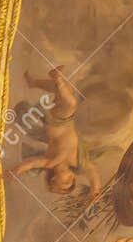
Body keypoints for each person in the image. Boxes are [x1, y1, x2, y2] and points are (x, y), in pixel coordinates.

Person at [6, 66, 101, 197]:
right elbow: (92, 171)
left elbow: (31, 163)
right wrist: (95, 190)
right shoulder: (74, 161)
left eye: (65, 184)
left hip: (57, 122)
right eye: (72, 182)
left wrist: (16, 170)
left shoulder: (50, 161)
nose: (70, 180)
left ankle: (57, 77)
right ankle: (34, 83)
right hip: (66, 120)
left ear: (53, 179)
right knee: (65, 92)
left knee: (71, 103)